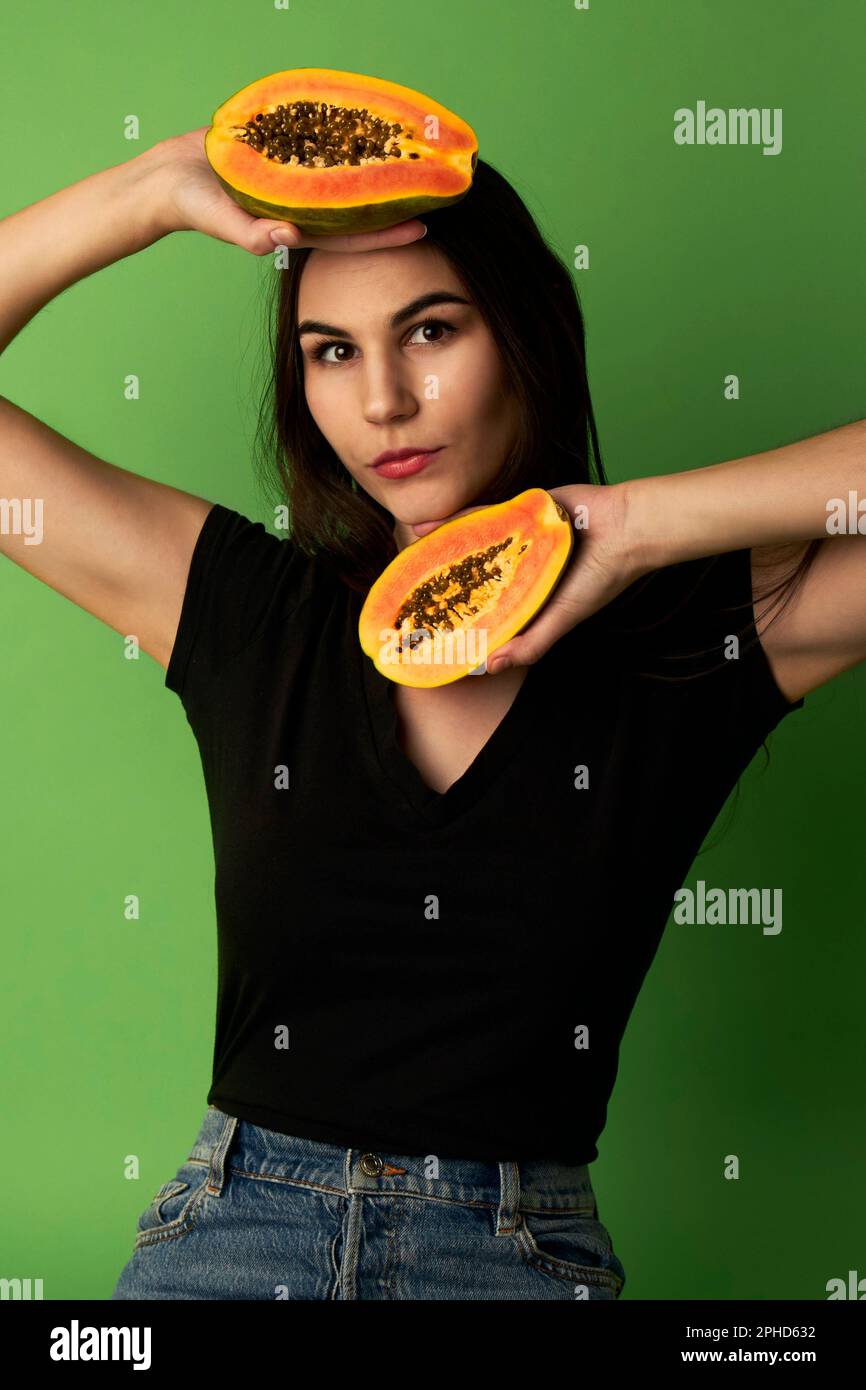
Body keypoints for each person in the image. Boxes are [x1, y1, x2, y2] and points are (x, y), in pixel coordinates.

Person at [2, 128, 862, 1302]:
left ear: (525, 335)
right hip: (230, 1235)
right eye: (329, 350)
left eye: (430, 329)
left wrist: (634, 527)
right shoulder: (255, 612)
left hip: (516, 1257)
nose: (382, 401)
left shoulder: (695, 636)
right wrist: (147, 191)